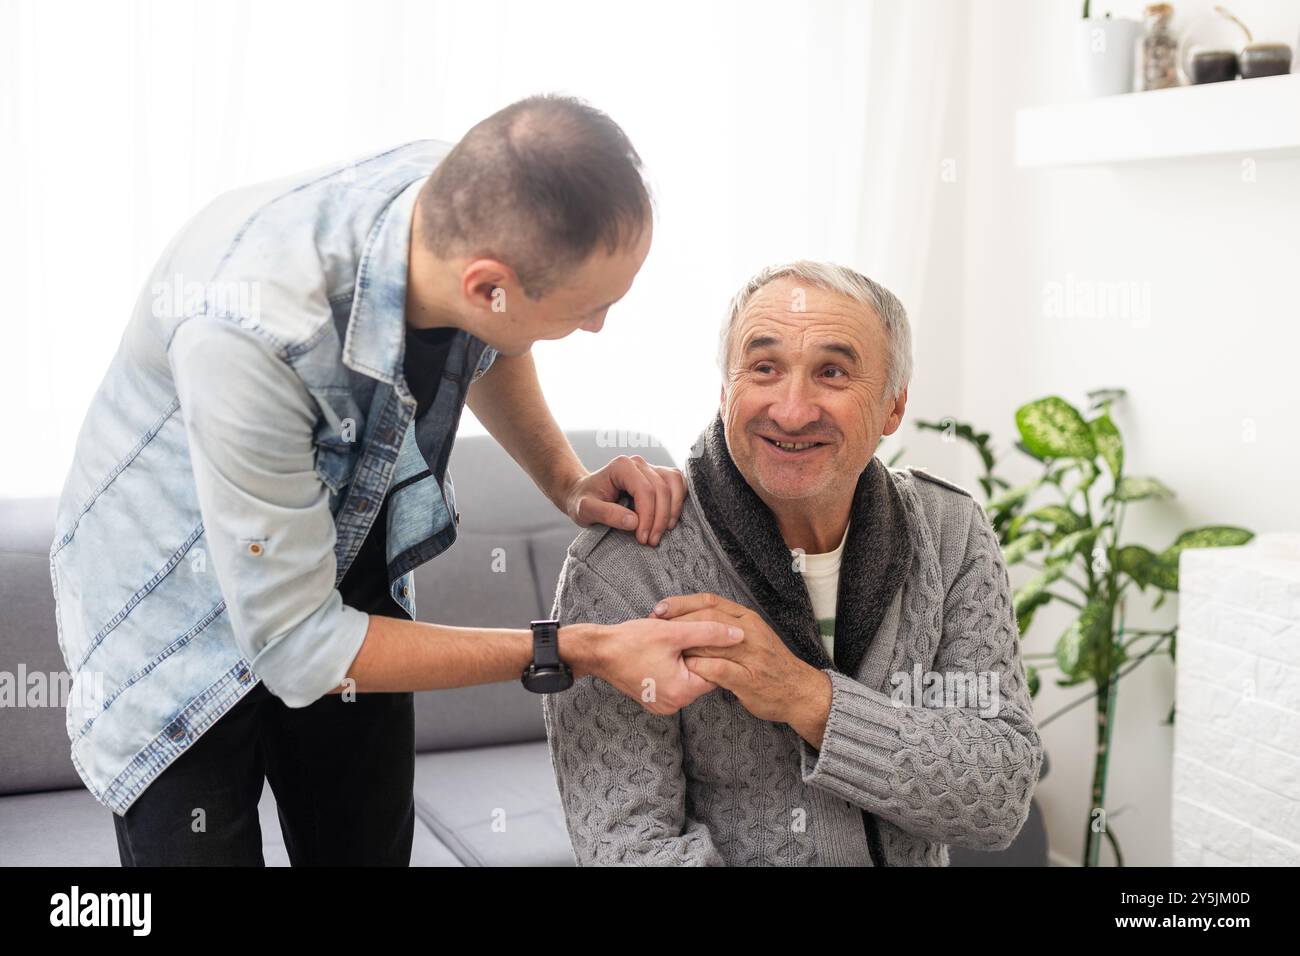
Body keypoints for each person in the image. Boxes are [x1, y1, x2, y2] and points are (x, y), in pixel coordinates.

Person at [50, 94, 740, 866]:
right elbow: (300, 645)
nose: (598, 326)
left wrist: (565, 480)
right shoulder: (251, 330)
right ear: (488, 283)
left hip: (342, 565)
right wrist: (576, 647)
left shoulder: (454, 201)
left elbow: (495, 337)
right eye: (588, 307)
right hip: (175, 624)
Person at [544, 261, 1044, 865]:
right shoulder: (627, 566)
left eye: (832, 372)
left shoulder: (950, 532)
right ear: (726, 392)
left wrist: (807, 699)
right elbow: (627, 849)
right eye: (764, 368)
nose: (791, 409)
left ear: (893, 408)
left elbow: (1000, 792)